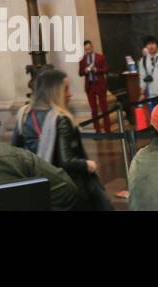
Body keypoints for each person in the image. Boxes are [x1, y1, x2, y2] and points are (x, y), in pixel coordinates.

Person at [12, 68, 111, 210]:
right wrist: (87, 165)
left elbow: (16, 152)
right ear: (54, 92)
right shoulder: (61, 119)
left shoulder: (24, 114)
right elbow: (66, 161)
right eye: (65, 89)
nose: (70, 94)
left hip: (37, 187)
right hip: (65, 189)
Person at [79, 40, 111, 133]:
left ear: (92, 47)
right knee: (94, 110)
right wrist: (85, 71)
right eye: (86, 49)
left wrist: (96, 69)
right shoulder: (83, 60)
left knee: (104, 108)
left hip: (99, 84)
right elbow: (80, 73)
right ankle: (97, 131)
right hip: (90, 86)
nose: (88, 50)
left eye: (89, 48)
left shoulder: (100, 57)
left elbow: (106, 69)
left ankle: (107, 130)